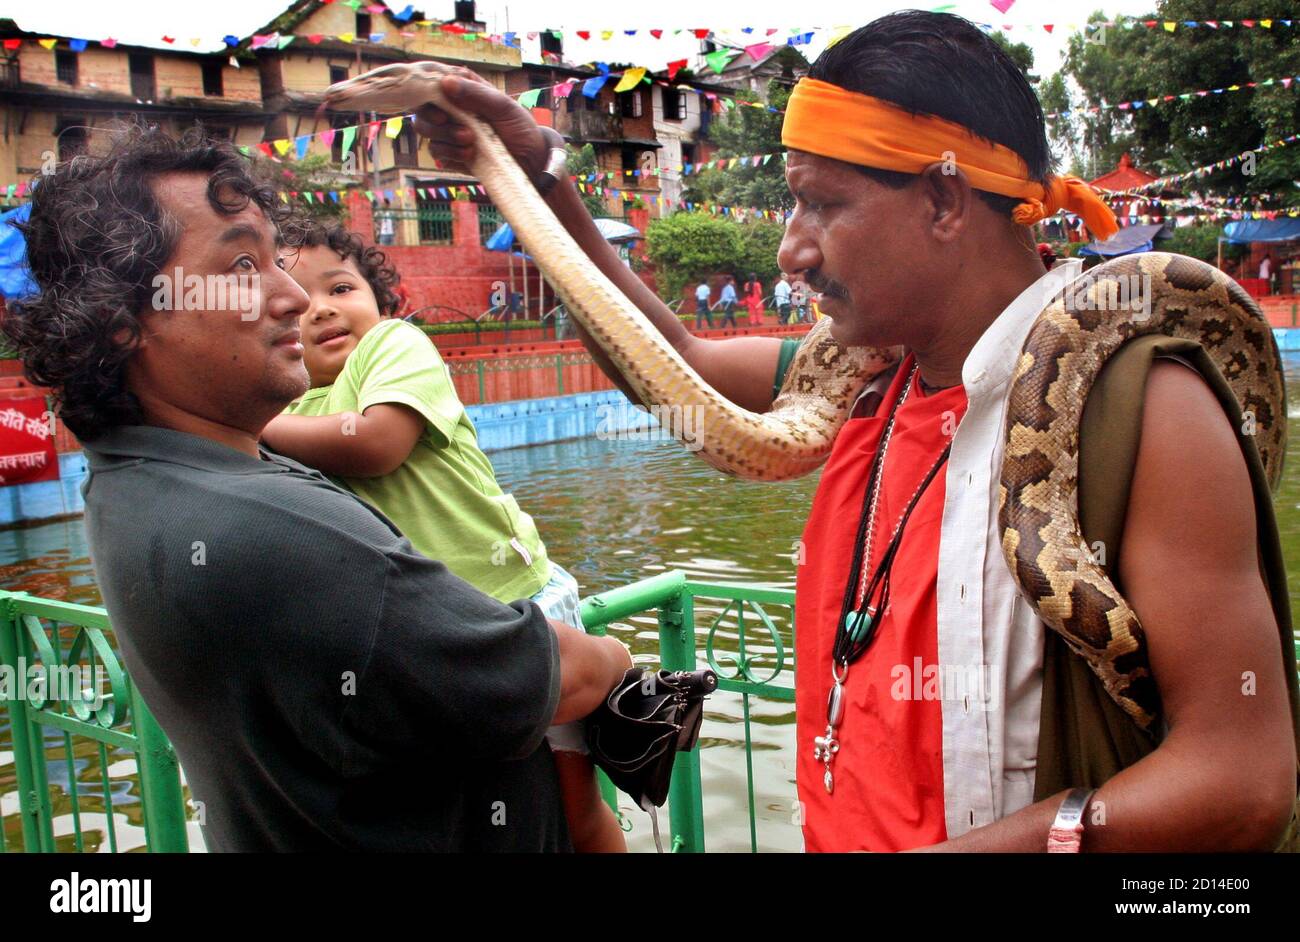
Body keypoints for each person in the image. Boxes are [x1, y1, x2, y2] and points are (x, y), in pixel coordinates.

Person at [416, 13, 1298, 852]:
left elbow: (1243, 781)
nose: (790, 251)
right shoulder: (861, 376)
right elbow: (665, 362)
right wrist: (538, 174)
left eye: (821, 204)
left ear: (946, 199)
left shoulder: (1146, 408)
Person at [4, 124, 632, 852]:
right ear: (121, 320)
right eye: (243, 263)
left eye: (280, 261)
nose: (292, 297)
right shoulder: (276, 535)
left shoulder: (131, 481)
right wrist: (614, 658)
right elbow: (562, 675)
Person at [261, 222, 626, 852]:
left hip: (520, 603)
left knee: (576, 809)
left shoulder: (392, 347)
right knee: (485, 807)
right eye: (298, 298)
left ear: (380, 302)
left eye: (341, 287)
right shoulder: (292, 406)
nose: (320, 308)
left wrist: (256, 425)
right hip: (435, 637)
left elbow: (378, 444)